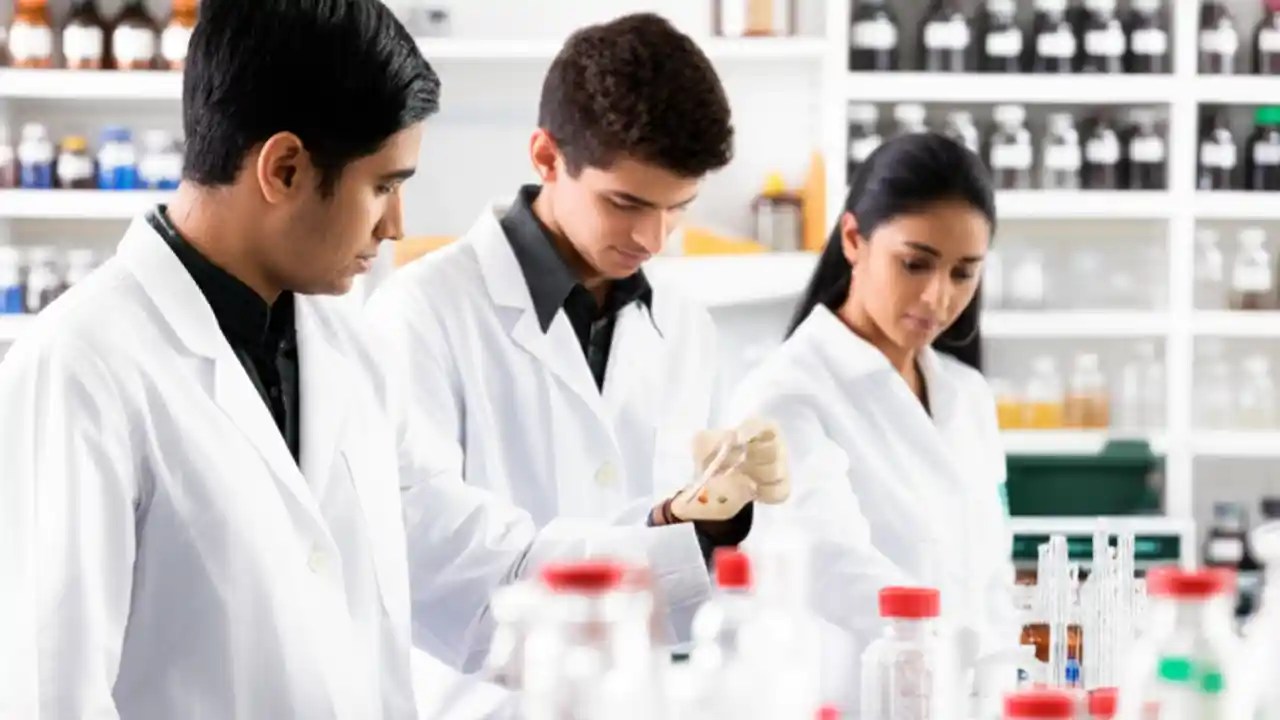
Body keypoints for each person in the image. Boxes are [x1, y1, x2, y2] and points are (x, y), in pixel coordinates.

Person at [0, 2, 755, 717]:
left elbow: (486, 575)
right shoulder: (81, 367)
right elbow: (47, 696)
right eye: (384, 186)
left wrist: (695, 536)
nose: (397, 224)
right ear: (285, 168)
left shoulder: (342, 352)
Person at [365, 12, 790, 650]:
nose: (652, 238)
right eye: (625, 204)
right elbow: (432, 559)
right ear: (547, 157)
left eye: (677, 209)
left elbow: (699, 598)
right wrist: (660, 535)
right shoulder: (420, 314)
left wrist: (715, 522)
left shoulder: (685, 328)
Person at [731, 133, 1017, 709]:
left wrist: (1004, 685)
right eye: (915, 264)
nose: (939, 298)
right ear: (855, 239)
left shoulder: (966, 396)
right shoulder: (785, 396)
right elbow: (834, 571)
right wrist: (964, 659)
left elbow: (992, 582)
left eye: (964, 273)